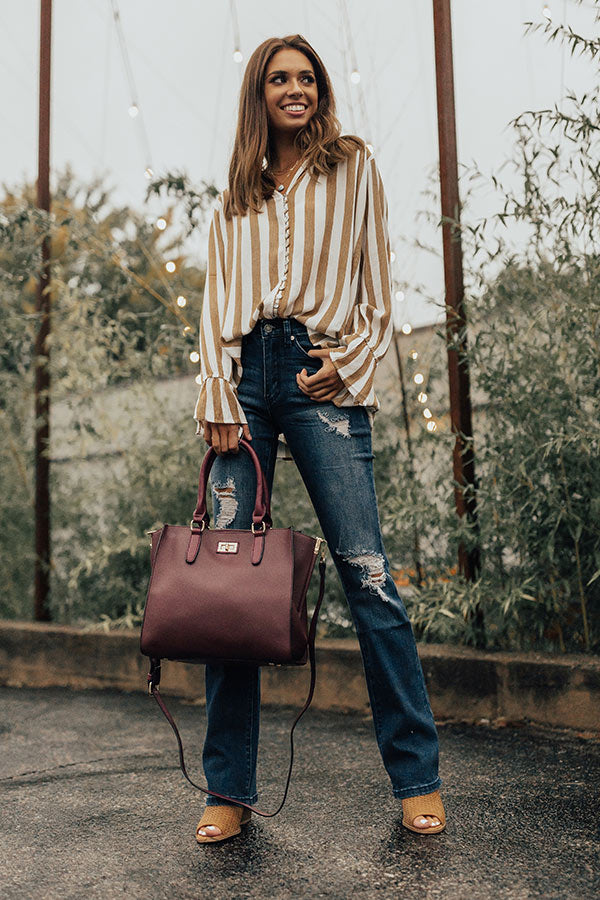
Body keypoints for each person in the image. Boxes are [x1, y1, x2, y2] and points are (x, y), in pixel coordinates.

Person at [193, 33, 446, 843]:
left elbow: (378, 286)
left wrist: (356, 363)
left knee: (369, 576)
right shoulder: (236, 189)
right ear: (259, 94)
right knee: (228, 591)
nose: (295, 89)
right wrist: (217, 391)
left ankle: (417, 777)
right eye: (280, 79)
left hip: (318, 372)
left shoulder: (353, 167)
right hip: (246, 381)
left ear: (320, 89)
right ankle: (227, 790)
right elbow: (212, 301)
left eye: (306, 78)